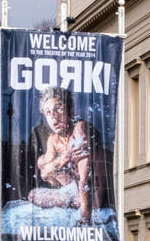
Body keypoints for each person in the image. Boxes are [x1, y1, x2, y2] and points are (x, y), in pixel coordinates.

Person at [26, 87, 106, 225]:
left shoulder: (80, 128)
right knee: (38, 174)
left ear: (69, 110)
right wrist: (63, 159)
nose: (53, 117)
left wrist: (85, 213)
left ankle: (81, 204)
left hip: (93, 191)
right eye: (48, 112)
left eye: (58, 109)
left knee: (56, 164)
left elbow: (85, 179)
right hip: (71, 192)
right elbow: (45, 173)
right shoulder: (54, 139)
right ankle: (73, 201)